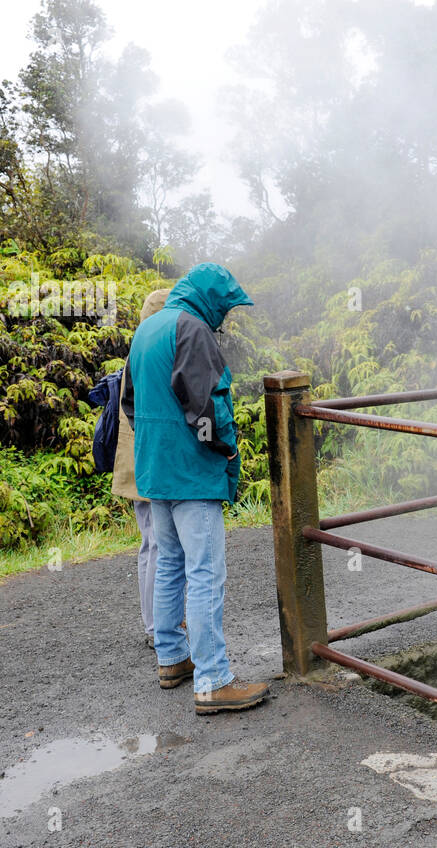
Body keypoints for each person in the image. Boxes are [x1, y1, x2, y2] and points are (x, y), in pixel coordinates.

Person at [122, 263, 270, 714]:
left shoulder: (148, 329)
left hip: (154, 471)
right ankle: (213, 680)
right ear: (208, 299)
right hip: (191, 473)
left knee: (170, 563)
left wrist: (157, 442)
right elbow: (207, 404)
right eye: (224, 308)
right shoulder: (193, 330)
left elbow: (128, 400)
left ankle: (172, 658)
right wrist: (224, 448)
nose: (224, 319)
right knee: (205, 571)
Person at [113, 288, 170, 650]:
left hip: (134, 463)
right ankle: (156, 627)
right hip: (145, 463)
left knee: (149, 545)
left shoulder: (137, 350)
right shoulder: (152, 355)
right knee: (157, 545)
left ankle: (154, 623)